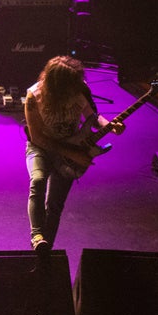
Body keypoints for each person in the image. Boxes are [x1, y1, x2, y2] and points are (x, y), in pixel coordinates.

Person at [23, 55, 124, 255]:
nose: (76, 88)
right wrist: (73, 154)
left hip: (71, 147)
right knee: (38, 180)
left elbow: (92, 118)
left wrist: (109, 125)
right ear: (58, 85)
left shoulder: (79, 89)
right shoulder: (34, 96)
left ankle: (44, 249)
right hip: (41, 149)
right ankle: (37, 236)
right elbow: (37, 138)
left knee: (55, 204)